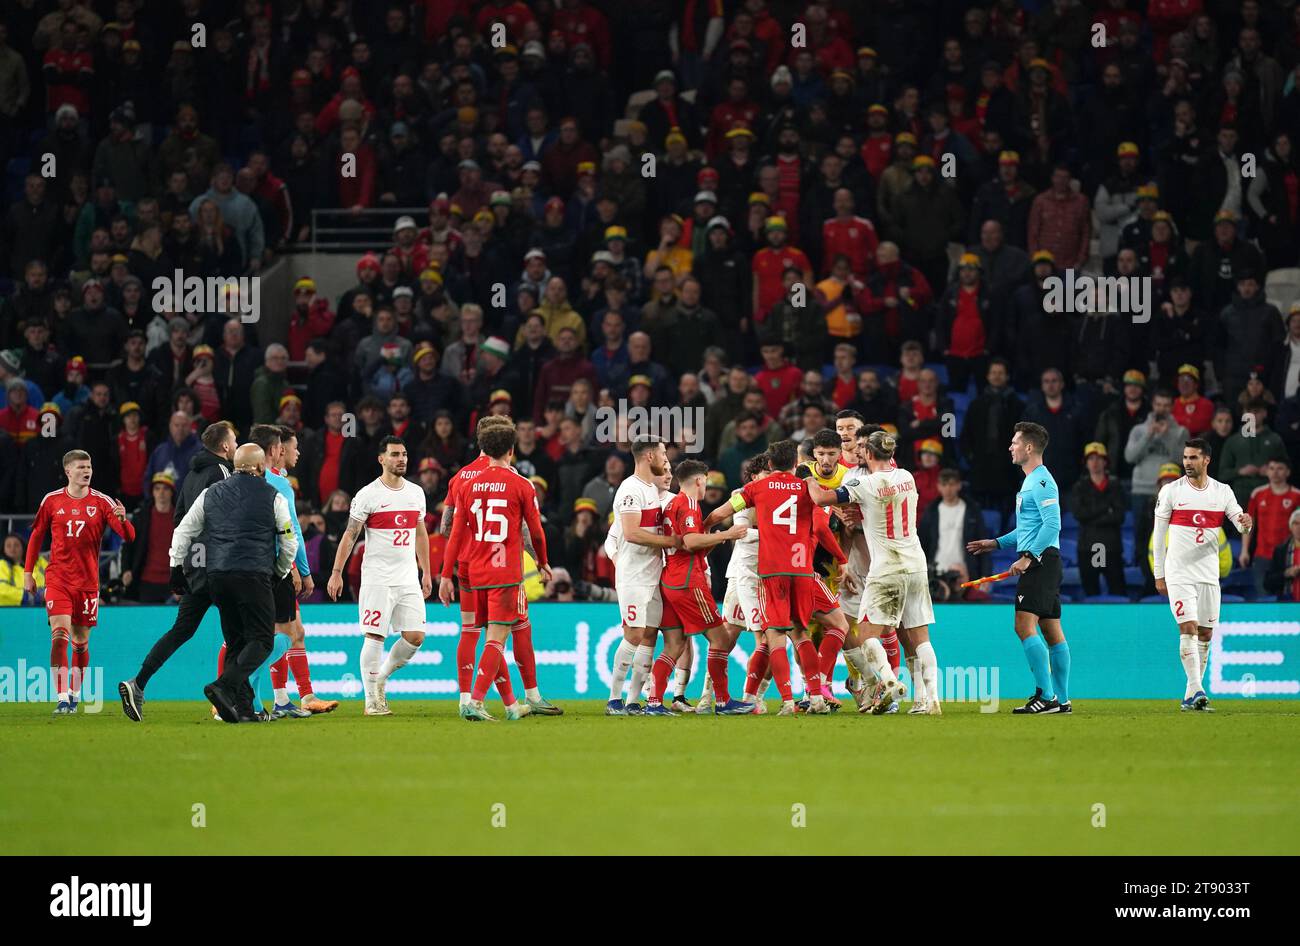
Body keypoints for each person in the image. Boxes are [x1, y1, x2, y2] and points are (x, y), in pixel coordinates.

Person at [808, 428, 942, 715]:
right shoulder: (907, 477)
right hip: (916, 563)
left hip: (886, 566)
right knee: (921, 638)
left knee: (868, 633)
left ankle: (889, 681)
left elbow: (820, 499)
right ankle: (929, 700)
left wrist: (808, 478)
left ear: (867, 454)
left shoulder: (863, 483)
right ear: (891, 453)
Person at [169, 443, 298, 723]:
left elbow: (183, 531)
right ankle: (224, 685)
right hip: (253, 575)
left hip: (218, 577)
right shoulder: (274, 496)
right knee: (262, 640)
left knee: (236, 640)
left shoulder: (210, 493)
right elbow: (289, 540)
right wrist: (280, 571)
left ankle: (243, 709)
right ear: (261, 466)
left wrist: (176, 567)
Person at [118, 421, 237, 722]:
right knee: (239, 634)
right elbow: (225, 518)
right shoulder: (222, 472)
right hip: (219, 566)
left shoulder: (191, 474)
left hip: (195, 567)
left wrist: (180, 563)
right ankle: (228, 701)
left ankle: (138, 683)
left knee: (180, 631)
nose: (236, 446)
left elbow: (181, 519)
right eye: (234, 441)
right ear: (224, 446)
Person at [703, 439, 832, 716]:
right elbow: (822, 521)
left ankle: (786, 701)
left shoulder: (754, 488)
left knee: (774, 636)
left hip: (772, 571)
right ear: (795, 464)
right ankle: (816, 696)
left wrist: (702, 528)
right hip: (801, 569)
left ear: (770, 464)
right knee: (801, 633)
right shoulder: (806, 487)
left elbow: (722, 512)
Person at [439, 420, 552, 721]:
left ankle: (511, 705)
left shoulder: (466, 483)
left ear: (483, 448)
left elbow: (453, 535)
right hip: (505, 572)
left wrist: (444, 575)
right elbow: (537, 533)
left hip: (474, 571)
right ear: (512, 450)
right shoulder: (521, 484)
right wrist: (541, 561)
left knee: (484, 634)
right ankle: (474, 702)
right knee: (497, 639)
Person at [966, 421, 1073, 714]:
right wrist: (996, 543)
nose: (1010, 447)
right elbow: (1029, 528)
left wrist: (1029, 556)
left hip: (1041, 562)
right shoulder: (1032, 481)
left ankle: (1047, 696)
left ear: (1028, 447)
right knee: (1051, 630)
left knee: (1023, 625)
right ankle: (1061, 699)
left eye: (1014, 442)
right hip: (1047, 561)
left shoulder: (1040, 482)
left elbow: (1053, 524)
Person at [24, 449, 136, 714]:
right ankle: (62, 698)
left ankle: (74, 693)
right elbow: (37, 535)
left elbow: (128, 537)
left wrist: (123, 519)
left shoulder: (102, 502)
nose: (87, 471)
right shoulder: (51, 500)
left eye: (89, 467)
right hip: (58, 578)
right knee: (59, 635)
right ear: (68, 471)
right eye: (81, 467)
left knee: (81, 641)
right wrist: (28, 572)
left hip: (87, 583)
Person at [326, 437, 431, 717]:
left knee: (416, 636)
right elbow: (350, 535)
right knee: (375, 636)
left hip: (408, 578)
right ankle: (371, 699)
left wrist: (427, 572)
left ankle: (381, 678)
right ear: (381, 459)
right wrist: (336, 572)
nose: (402, 459)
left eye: (405, 454)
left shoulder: (416, 493)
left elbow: (420, 534)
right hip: (377, 579)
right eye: (395, 454)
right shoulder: (368, 495)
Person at [1153, 438, 1253, 712]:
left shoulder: (1222, 492)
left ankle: (1190, 695)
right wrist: (1159, 574)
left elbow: (1240, 524)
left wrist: (1246, 524)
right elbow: (1159, 534)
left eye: (1193, 457)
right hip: (1179, 572)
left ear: (1206, 460)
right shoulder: (1171, 491)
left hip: (1208, 574)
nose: (1187, 462)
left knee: (1205, 634)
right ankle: (1198, 689)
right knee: (1188, 627)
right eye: (1185, 457)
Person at [649, 459, 749, 715]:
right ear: (699, 481)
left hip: (670, 579)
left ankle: (654, 702)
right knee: (720, 638)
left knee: (674, 645)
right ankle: (724, 702)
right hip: (688, 582)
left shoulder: (673, 504)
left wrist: (713, 533)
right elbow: (692, 542)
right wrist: (728, 535)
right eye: (705, 481)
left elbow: (693, 544)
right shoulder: (689, 504)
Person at [605, 439, 683, 715]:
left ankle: (634, 700)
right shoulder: (630, 489)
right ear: (649, 456)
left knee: (648, 635)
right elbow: (631, 533)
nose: (666, 458)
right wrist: (672, 541)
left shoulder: (652, 488)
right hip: (633, 576)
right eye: (663, 453)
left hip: (654, 574)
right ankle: (614, 699)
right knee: (634, 634)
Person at [1070, 442, 1129, 598]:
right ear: (1086, 463)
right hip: (1087, 547)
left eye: (1098, 458)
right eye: (1091, 459)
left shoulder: (1115, 486)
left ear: (1105, 462)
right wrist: (1105, 508)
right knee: (1090, 593)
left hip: (1110, 547)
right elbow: (1079, 514)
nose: (1095, 462)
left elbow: (1119, 516)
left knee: (1117, 591)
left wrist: (1091, 516)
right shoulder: (1080, 487)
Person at [1239, 459, 1300, 599]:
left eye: (1280, 468)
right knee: (1264, 597)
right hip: (1262, 555)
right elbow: (1249, 522)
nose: (1275, 472)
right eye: (1271, 468)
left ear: (1288, 472)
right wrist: (1244, 550)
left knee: (1289, 596)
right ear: (1266, 471)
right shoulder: (1257, 494)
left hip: (1287, 555)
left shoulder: (1297, 495)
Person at [1264, 508, 1300, 602]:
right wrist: (1286, 573)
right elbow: (1267, 583)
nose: (1299, 527)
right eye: (1295, 523)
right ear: (1290, 527)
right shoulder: (1281, 551)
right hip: (1286, 606)